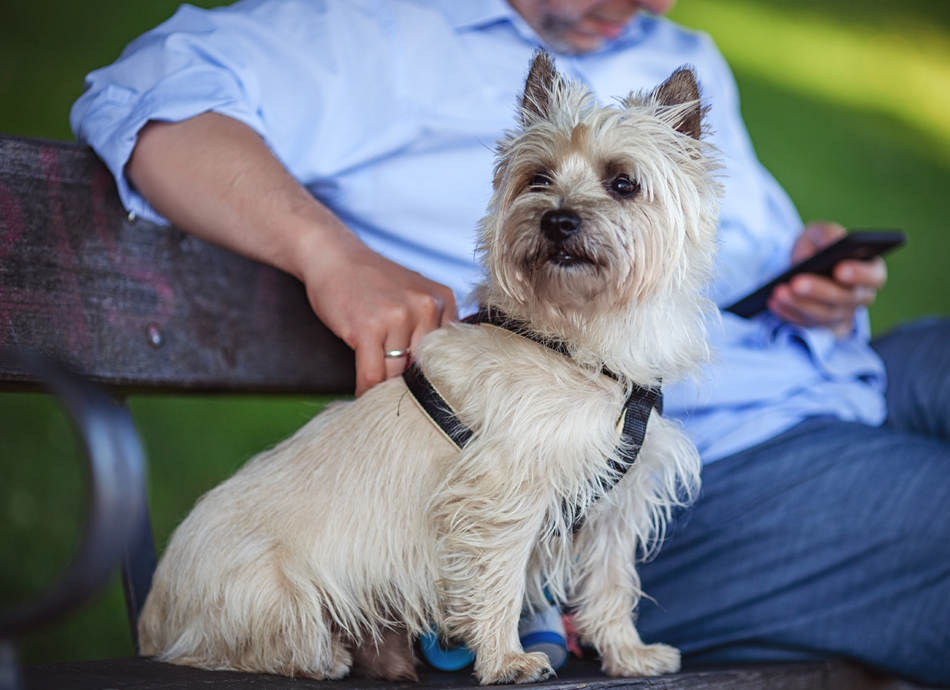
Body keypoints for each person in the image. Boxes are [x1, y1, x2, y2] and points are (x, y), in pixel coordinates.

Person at [70, 0, 949, 685]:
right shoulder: (377, 32)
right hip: (728, 460)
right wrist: (330, 254)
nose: (652, 6)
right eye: (542, 182)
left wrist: (814, 289)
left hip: (827, 368)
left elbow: (710, 242)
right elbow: (142, 92)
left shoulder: (684, 63)